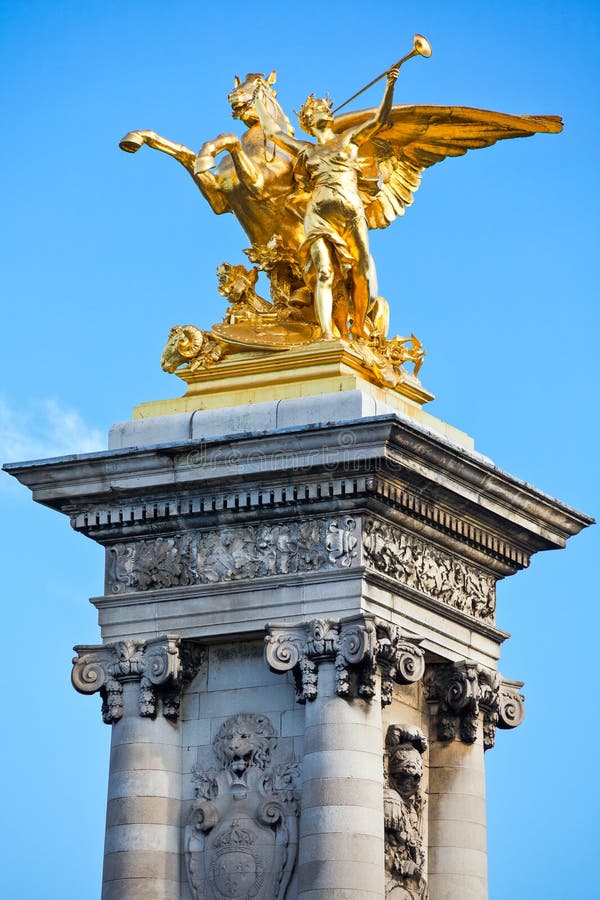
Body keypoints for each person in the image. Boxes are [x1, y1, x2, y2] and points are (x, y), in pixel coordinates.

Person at [253, 67, 399, 340]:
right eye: (316, 108)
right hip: (318, 214)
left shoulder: (349, 139)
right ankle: (327, 335)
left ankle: (357, 325)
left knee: (364, 269)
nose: (322, 110)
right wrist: (259, 101)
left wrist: (390, 86)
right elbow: (273, 133)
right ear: (308, 120)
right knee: (324, 272)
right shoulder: (307, 150)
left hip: (352, 212)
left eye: (324, 107)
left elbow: (380, 121)